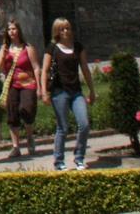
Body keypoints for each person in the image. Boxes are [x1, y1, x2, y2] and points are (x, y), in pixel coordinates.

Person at [39, 16, 95, 171]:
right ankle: (59, 161)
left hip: (76, 91)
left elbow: (85, 68)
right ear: (56, 31)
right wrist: (44, 91)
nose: (65, 31)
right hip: (59, 91)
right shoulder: (52, 48)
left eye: (67, 28)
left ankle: (79, 157)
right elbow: (44, 70)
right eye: (61, 29)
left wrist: (91, 90)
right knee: (62, 127)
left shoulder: (78, 47)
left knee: (84, 124)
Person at [0, 18, 39, 158]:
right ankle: (16, 146)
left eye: (14, 29)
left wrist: (39, 87)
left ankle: (29, 136)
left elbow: (36, 67)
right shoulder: (5, 49)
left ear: (19, 30)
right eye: (9, 29)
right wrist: (3, 55)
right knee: (12, 113)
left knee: (26, 109)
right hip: (12, 84)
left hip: (28, 84)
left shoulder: (28, 48)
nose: (11, 32)